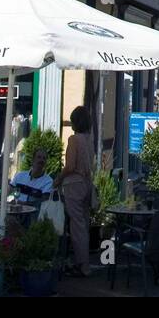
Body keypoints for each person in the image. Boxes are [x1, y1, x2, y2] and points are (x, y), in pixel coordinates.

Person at [55, 105, 94, 276]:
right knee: (83, 224)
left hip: (73, 185)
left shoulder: (73, 140)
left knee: (76, 226)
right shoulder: (89, 139)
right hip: (87, 184)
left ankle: (82, 265)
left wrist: (58, 179)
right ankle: (84, 263)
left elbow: (70, 166)